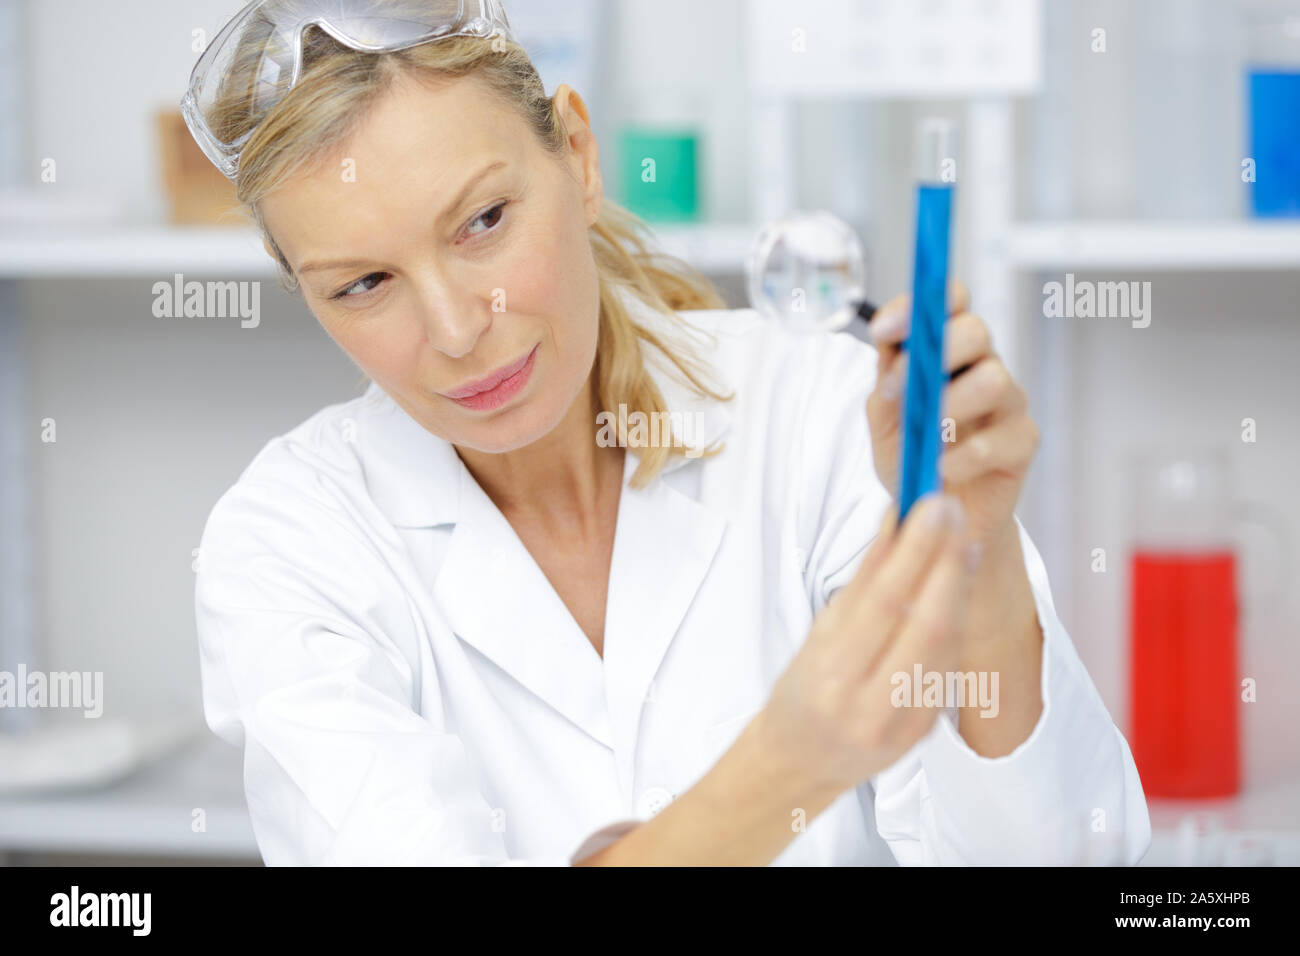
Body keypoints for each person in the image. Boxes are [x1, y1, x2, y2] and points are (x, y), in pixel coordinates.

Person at [188, 0, 1150, 866]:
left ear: (577, 152)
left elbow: (1062, 863)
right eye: (363, 284)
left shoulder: (824, 416)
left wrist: (974, 574)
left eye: (483, 220)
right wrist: (786, 768)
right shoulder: (287, 543)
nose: (453, 329)